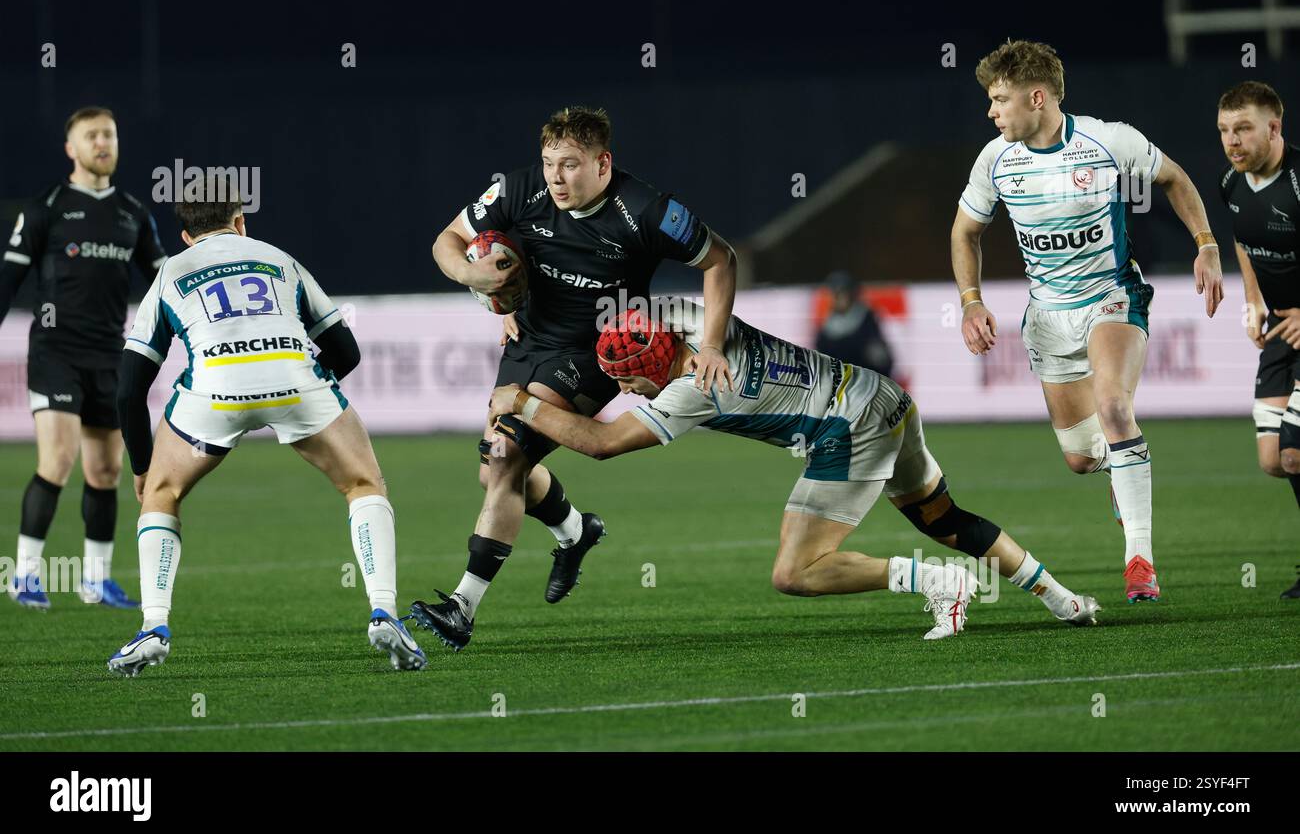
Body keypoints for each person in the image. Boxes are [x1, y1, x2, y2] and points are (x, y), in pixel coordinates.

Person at [409, 299, 1099, 652]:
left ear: (651, 366)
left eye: (628, 380)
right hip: (882, 396)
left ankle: (935, 582)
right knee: (944, 517)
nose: (627, 390)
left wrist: (523, 401)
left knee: (793, 572)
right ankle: (1064, 598)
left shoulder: (685, 392)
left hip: (846, 431)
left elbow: (598, 443)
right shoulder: (693, 322)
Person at [416, 107, 736, 640]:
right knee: (494, 471)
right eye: (548, 164)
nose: (556, 178)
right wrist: (476, 275)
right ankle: (574, 530)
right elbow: (445, 240)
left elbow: (720, 259)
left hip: (596, 351)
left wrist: (713, 345)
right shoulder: (520, 190)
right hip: (528, 338)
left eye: (569, 165)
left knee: (508, 458)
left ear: (603, 163)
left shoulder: (648, 210)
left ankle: (462, 607)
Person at [106, 181, 424, 675]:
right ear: (241, 222)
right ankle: (384, 611)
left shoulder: (172, 270)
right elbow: (347, 351)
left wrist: (143, 468)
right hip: (295, 379)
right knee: (363, 483)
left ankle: (153, 627)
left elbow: (129, 387)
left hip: (213, 392)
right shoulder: (279, 258)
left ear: (188, 236)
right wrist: (300, 393)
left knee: (161, 497)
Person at [951, 39, 1224, 603]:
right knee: (1080, 458)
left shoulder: (1109, 140)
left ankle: (1140, 560)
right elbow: (965, 232)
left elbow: (1173, 177)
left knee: (1115, 408)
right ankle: (1122, 469)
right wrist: (971, 300)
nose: (991, 111)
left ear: (1036, 96)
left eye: (999, 99)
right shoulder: (995, 160)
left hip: (1112, 298)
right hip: (1048, 317)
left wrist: (1206, 244)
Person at [1, 107, 167, 610]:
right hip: (55, 351)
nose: (102, 142)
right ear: (71, 148)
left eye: (109, 135)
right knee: (58, 460)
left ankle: (94, 579)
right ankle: (24, 574)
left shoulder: (133, 214)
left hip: (109, 356)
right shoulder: (45, 208)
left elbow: (164, 282)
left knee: (106, 473)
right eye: (91, 135)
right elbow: (7, 284)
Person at [1214, 80, 1300, 599]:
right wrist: (1251, 298)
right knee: (1273, 458)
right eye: (1224, 131)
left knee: (1295, 454)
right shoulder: (1232, 184)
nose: (1232, 141)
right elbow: (1243, 238)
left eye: (1243, 128)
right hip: (1281, 332)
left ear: (1275, 127)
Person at [816, 271, 894, 379]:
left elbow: (882, 361)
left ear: (852, 294)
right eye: (835, 294)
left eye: (842, 293)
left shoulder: (866, 320)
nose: (838, 298)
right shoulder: (827, 324)